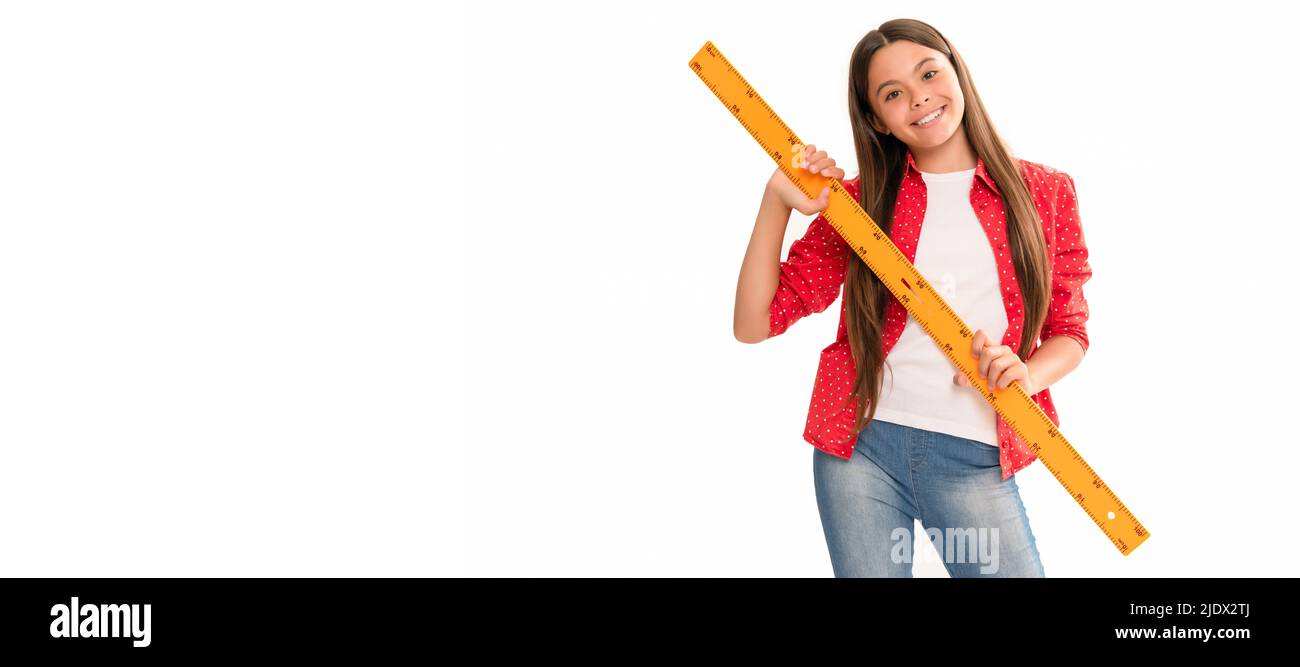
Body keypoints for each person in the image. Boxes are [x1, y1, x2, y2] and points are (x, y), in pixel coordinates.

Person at [732, 18, 1093, 577]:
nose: (919, 97)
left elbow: (1070, 330)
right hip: (860, 450)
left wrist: (1027, 375)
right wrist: (777, 198)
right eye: (893, 93)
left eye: (929, 73)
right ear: (878, 118)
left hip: (974, 455)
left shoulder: (1044, 192)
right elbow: (754, 323)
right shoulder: (857, 205)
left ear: (956, 71)